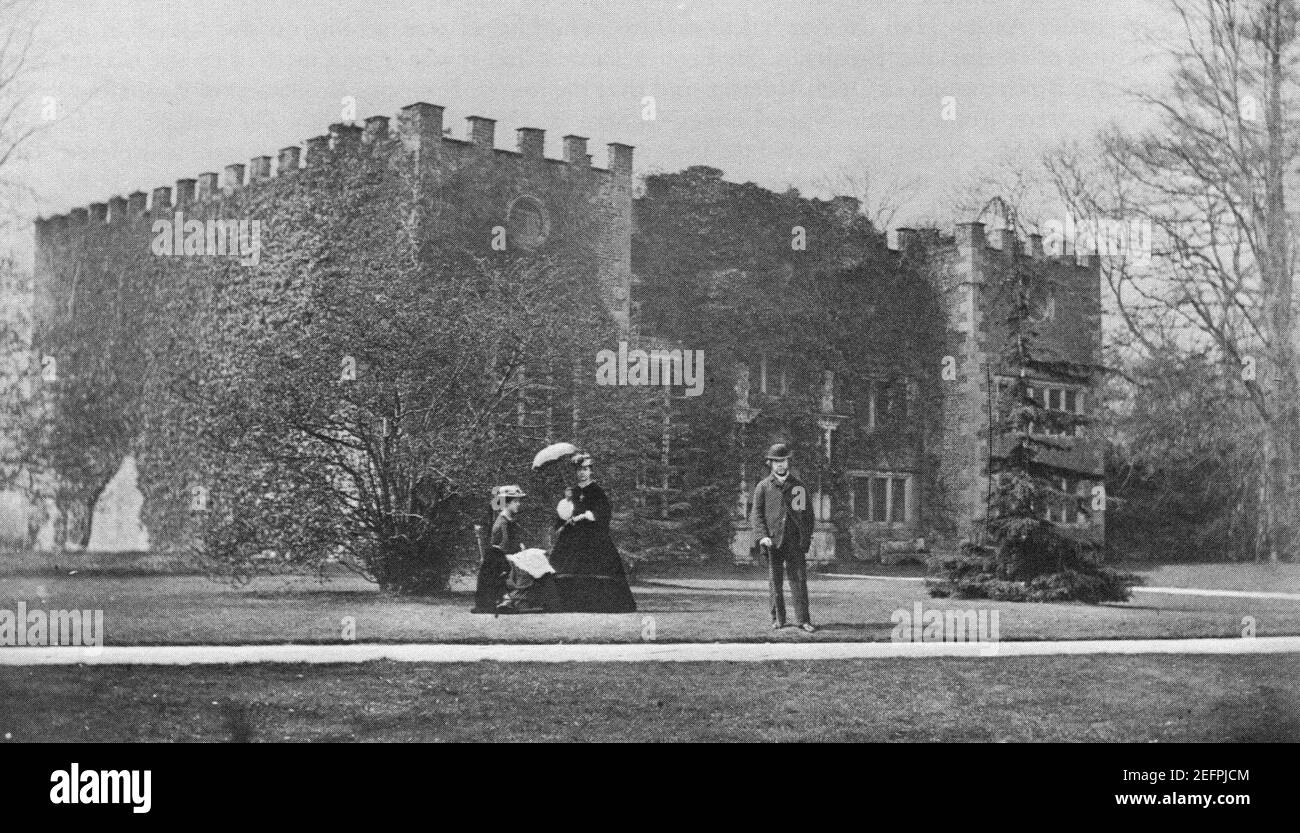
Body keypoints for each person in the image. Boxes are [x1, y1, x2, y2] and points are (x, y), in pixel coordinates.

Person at [548, 452, 637, 612]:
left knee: (597, 567)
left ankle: (598, 604)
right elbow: (564, 514)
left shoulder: (597, 491)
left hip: (592, 537)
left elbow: (604, 512)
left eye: (585, 469)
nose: (581, 473)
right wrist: (564, 519)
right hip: (571, 538)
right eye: (578, 470)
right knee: (564, 567)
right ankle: (569, 604)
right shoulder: (572, 492)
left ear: (590, 471)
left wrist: (585, 516)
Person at [751, 443, 816, 632]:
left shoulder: (799, 487)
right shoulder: (763, 487)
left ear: (788, 462)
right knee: (775, 582)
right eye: (776, 462)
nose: (780, 465)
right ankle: (778, 619)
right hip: (773, 542)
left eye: (783, 461)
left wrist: (806, 538)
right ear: (770, 464)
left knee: (799, 581)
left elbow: (807, 516)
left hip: (794, 543)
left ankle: (803, 620)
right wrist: (762, 536)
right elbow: (757, 515)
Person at [472, 485, 526, 612]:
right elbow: (504, 545)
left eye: (519, 501)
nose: (518, 504)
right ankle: (506, 599)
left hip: (502, 555)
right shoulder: (502, 522)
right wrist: (519, 548)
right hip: (498, 558)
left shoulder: (509, 520)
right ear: (506, 504)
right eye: (515, 501)